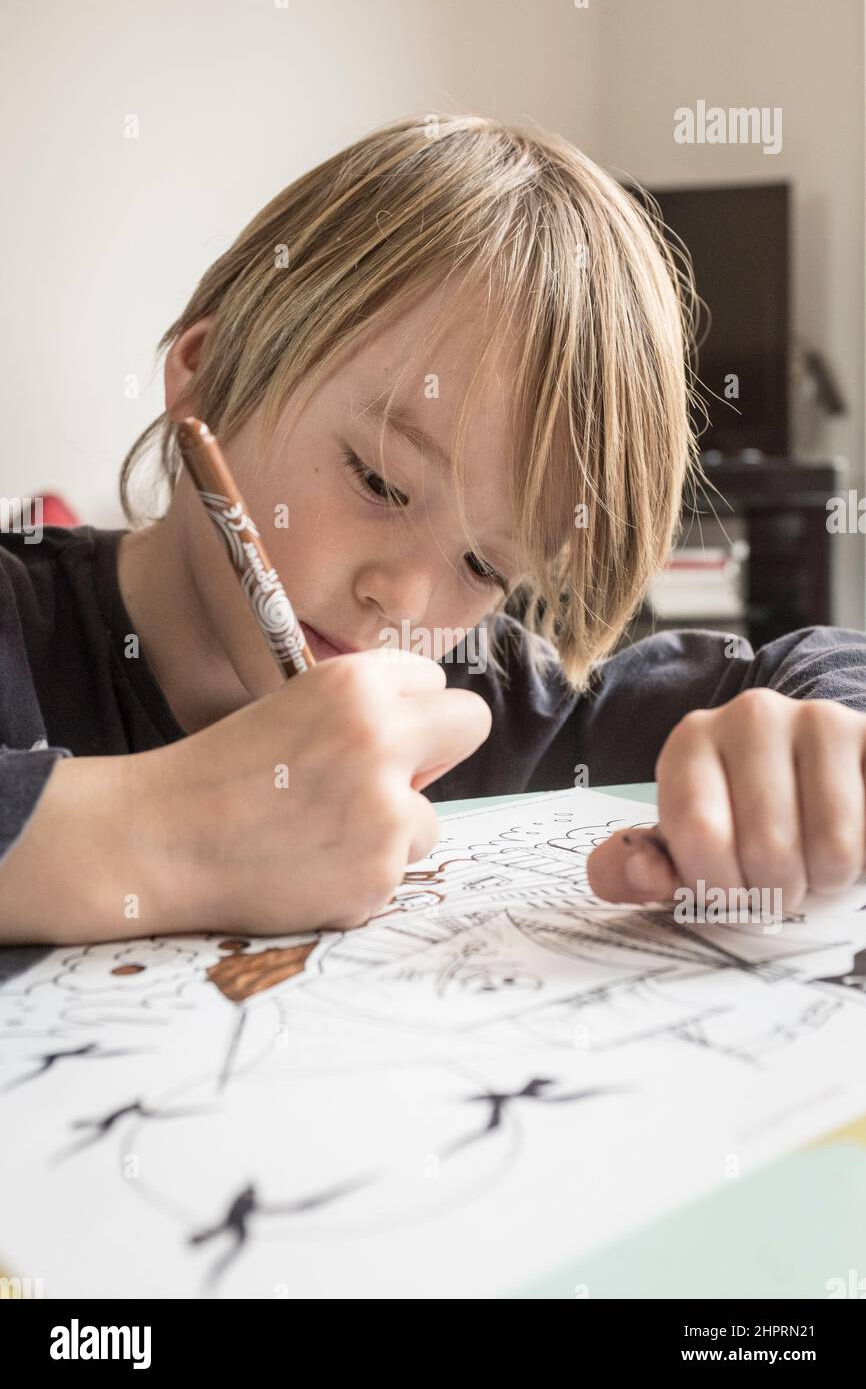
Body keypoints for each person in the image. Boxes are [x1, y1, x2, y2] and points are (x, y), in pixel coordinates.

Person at [2, 113, 865, 945]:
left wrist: (814, 757)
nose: (405, 601)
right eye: (379, 480)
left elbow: (814, 667)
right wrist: (176, 833)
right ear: (207, 372)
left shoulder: (487, 705)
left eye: (485, 566)